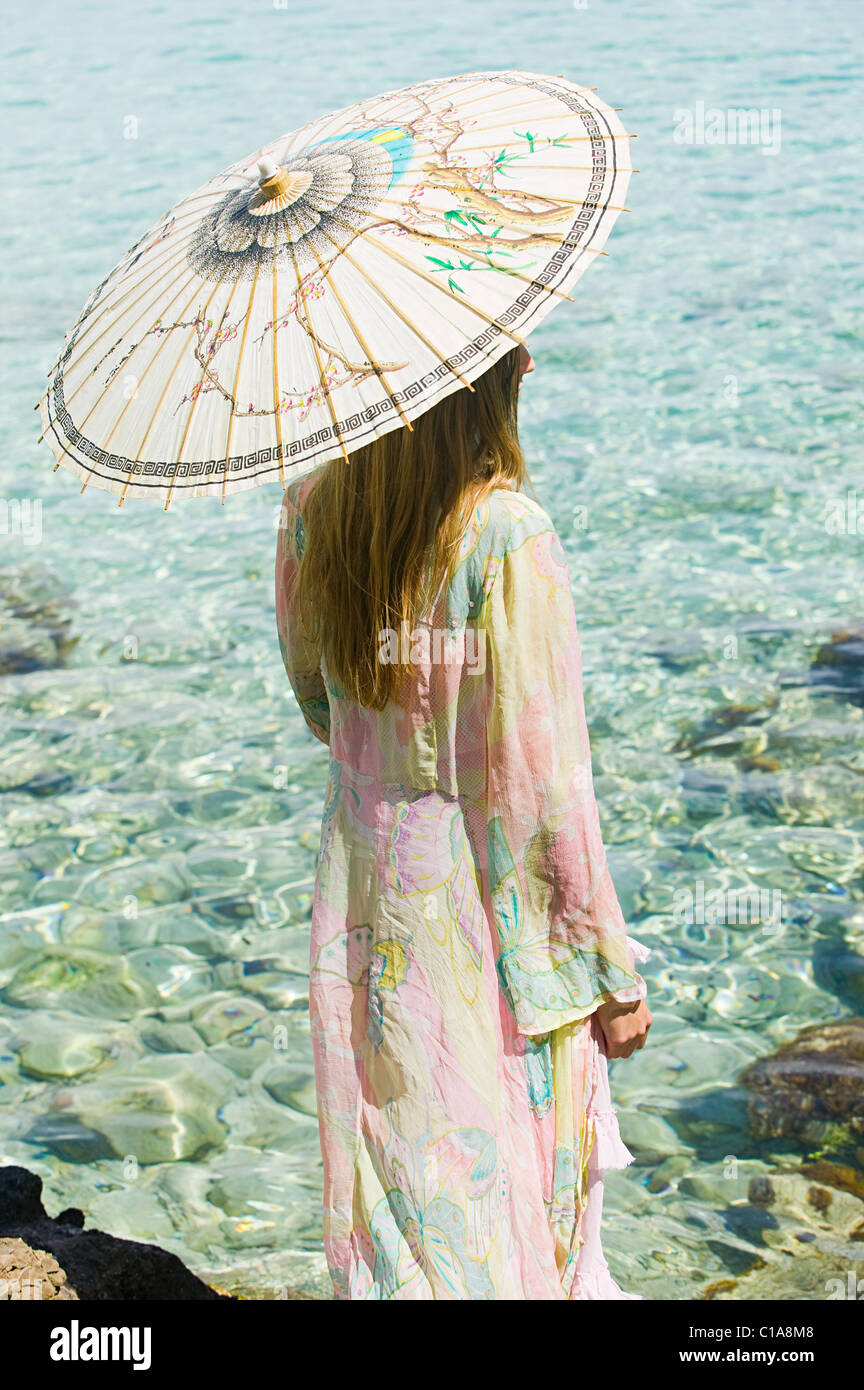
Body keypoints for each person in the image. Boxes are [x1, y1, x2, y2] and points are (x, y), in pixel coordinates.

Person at [275, 343, 652, 1300]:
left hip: (366, 880)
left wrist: (392, 754)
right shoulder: (507, 534)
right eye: (506, 348)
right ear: (470, 373)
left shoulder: (312, 503)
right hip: (480, 912)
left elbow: (319, 704)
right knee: (516, 1176)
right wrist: (603, 969)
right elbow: (541, 785)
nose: (527, 361)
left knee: (407, 1162)